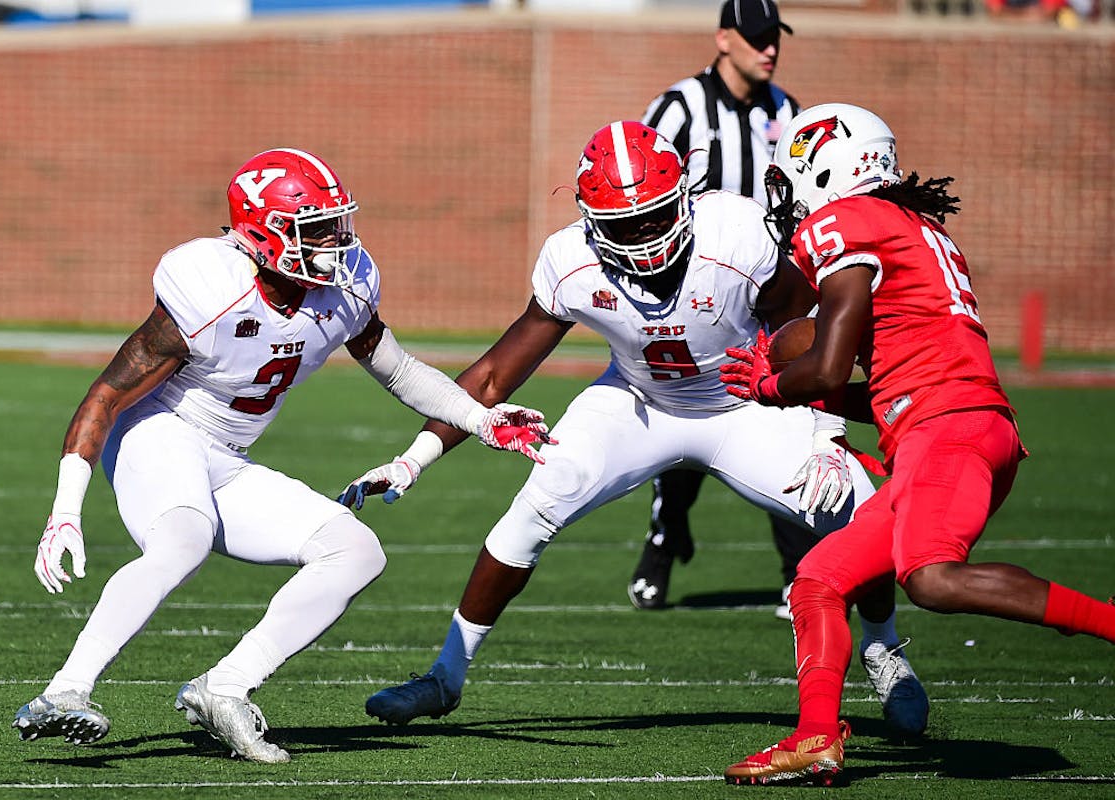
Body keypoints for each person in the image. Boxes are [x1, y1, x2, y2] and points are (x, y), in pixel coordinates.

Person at [348, 121, 927, 736]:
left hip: (746, 402)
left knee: (858, 510)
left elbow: (808, 334)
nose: (646, 236)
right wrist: (415, 457)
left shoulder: (736, 232)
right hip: (636, 401)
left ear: (682, 196)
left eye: (655, 216)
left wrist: (823, 431)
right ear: (591, 221)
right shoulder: (570, 260)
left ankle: (883, 648)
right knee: (535, 503)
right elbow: (494, 375)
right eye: (627, 225)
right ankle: (445, 676)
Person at [12, 148, 549, 763]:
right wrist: (65, 510)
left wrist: (482, 420)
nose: (334, 241)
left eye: (335, 223)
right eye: (313, 229)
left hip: (228, 455)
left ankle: (225, 688)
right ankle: (66, 691)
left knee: (355, 552)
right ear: (262, 233)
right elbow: (106, 396)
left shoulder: (344, 288)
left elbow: (397, 369)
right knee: (182, 539)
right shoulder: (211, 287)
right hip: (160, 430)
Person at [721, 103, 1115, 785]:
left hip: (950, 432)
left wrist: (774, 383)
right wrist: (790, 384)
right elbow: (877, 394)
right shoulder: (910, 226)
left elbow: (828, 367)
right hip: (945, 430)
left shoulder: (845, 222)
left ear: (829, 167)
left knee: (931, 577)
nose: (789, 200)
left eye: (793, 177)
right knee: (818, 579)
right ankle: (817, 735)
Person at [632, 0, 807, 616]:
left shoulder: (787, 112)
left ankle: (799, 572)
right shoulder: (680, 107)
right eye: (757, 37)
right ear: (723, 37)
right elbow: (641, 187)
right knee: (690, 421)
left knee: (786, 416)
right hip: (697, 294)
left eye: (774, 37)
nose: (770, 48)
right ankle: (663, 540)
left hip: (770, 292)